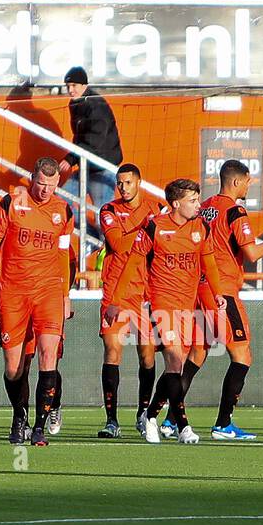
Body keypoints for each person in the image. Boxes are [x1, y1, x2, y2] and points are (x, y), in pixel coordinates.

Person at [105, 178, 226, 445]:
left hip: (187, 305)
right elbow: (133, 263)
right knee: (173, 359)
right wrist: (116, 300)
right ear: (175, 204)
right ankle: (184, 426)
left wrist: (217, 293)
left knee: (176, 366)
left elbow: (209, 263)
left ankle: (149, 416)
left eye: (197, 199)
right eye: (192, 201)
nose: (198, 205)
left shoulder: (200, 227)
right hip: (161, 304)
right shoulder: (154, 227)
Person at [0, 158, 73, 447]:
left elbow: (63, 255)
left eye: (52, 185)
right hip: (14, 292)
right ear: (32, 178)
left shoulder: (64, 211)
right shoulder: (11, 202)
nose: (45, 191)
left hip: (49, 292)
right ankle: (20, 416)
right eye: (42, 184)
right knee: (14, 367)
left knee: (48, 355)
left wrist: (66, 294)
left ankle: (40, 428)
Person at [199, 159, 263, 441]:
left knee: (194, 354)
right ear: (237, 181)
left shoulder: (205, 207)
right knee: (242, 355)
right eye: (249, 181)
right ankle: (223, 424)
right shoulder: (235, 211)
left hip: (200, 287)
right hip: (224, 290)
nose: (250, 186)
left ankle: (166, 418)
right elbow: (252, 254)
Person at [96, 162, 160, 438]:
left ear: (139, 183)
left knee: (147, 356)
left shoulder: (155, 209)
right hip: (115, 292)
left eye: (128, 182)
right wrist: (148, 228)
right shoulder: (109, 210)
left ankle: (142, 413)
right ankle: (111, 420)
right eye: (119, 183)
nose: (122, 187)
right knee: (113, 351)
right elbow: (119, 244)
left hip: (145, 292)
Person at [59, 66, 122, 226]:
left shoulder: (96, 106)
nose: (70, 90)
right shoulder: (76, 103)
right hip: (86, 165)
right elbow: (79, 137)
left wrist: (70, 159)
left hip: (102, 168)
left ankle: (103, 247)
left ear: (84, 85)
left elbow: (93, 141)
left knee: (103, 217)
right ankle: (88, 238)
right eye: (68, 86)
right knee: (61, 201)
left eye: (73, 86)